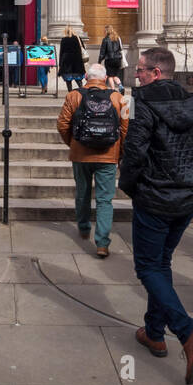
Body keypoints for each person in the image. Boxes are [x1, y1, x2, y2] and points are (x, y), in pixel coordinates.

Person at [119, 46, 193, 385]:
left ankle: (187, 331)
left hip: (155, 198)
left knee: (148, 267)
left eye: (141, 69)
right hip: (186, 199)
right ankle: (153, 332)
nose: (137, 74)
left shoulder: (144, 102)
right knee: (161, 264)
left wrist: (133, 188)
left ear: (156, 73)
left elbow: (134, 152)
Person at [57, 63, 128, 258]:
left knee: (82, 191)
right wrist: (120, 153)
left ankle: (83, 227)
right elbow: (126, 129)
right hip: (108, 155)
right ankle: (102, 243)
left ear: (87, 77)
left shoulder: (73, 96)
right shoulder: (121, 98)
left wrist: (73, 143)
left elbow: (62, 124)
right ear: (105, 79)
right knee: (105, 199)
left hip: (80, 154)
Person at [58, 25, 86, 90]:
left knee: (68, 81)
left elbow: (61, 53)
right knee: (79, 81)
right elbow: (83, 48)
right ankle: (82, 93)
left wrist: (60, 64)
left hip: (67, 62)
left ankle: (70, 94)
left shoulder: (64, 40)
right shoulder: (78, 38)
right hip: (77, 62)